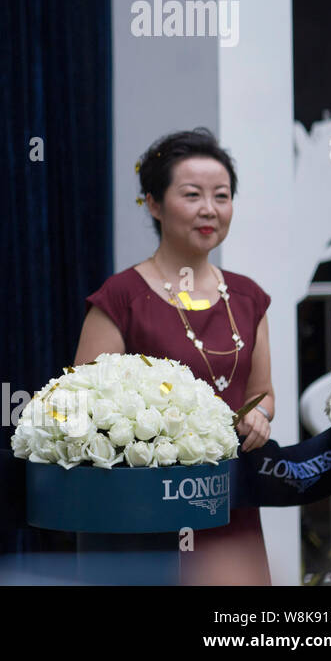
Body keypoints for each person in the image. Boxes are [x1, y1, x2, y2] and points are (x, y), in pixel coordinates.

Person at [74, 128, 274, 585]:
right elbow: (85, 405)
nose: (210, 209)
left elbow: (263, 393)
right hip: (147, 509)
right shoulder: (120, 297)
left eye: (221, 196)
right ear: (154, 204)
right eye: (193, 195)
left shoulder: (249, 298)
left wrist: (259, 415)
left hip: (227, 500)